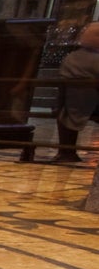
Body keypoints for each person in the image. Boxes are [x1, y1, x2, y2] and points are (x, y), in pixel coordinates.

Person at [53, 22, 99, 163]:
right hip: (93, 105)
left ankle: (66, 152)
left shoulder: (71, 57)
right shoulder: (96, 59)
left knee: (64, 112)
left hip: (70, 105)